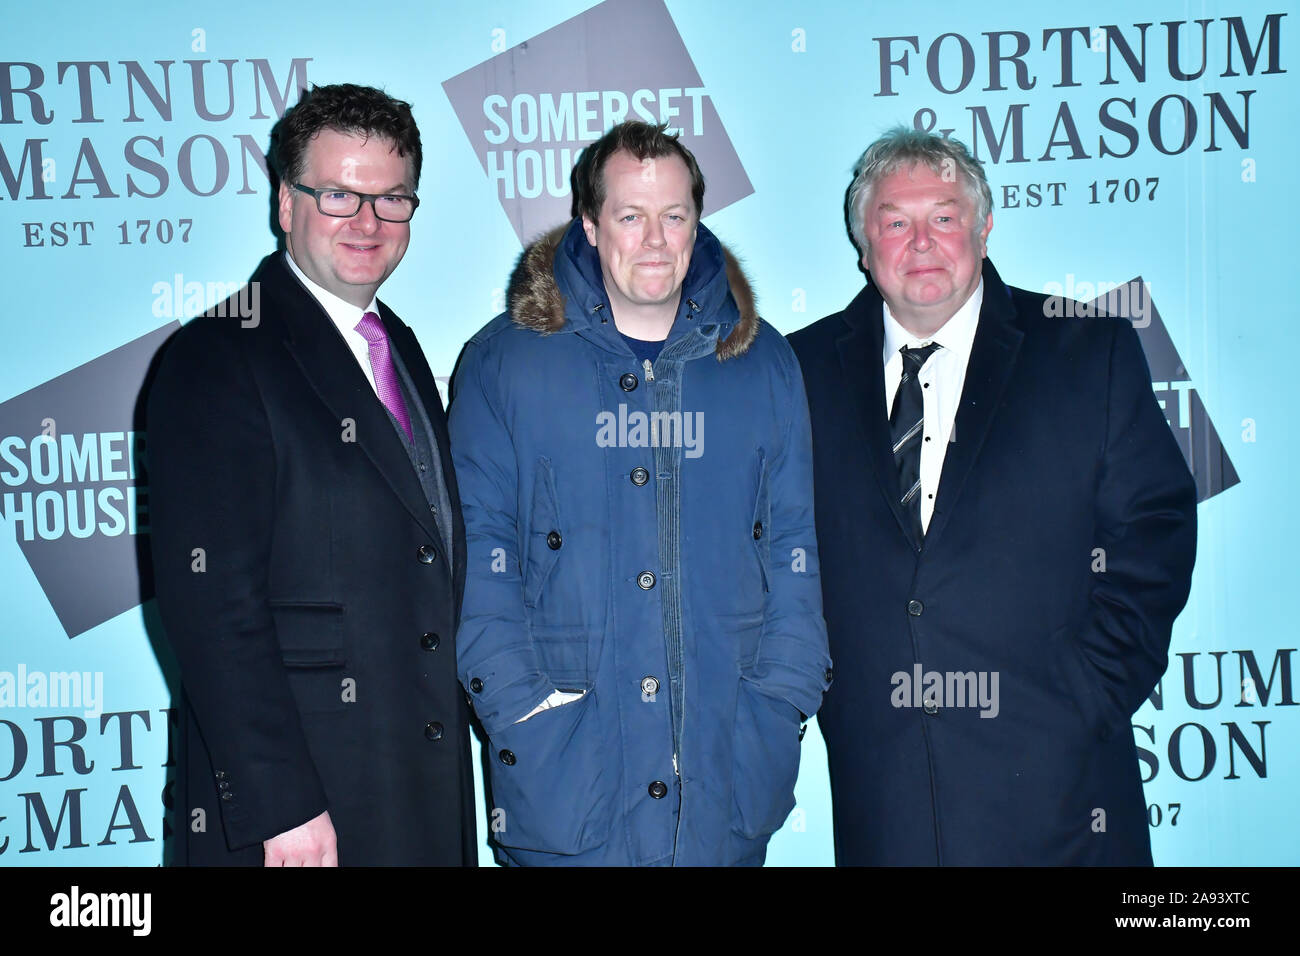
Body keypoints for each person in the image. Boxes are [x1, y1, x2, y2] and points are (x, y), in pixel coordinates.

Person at [787, 127, 1197, 865]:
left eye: (944, 217)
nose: (921, 243)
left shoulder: (1085, 350)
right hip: (885, 798)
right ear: (863, 241)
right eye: (895, 221)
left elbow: (1155, 531)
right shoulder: (797, 370)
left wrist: (1085, 693)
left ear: (983, 227)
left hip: (1062, 798)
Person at [448, 121, 831, 866]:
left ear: (697, 221)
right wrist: (524, 709)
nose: (655, 240)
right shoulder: (504, 364)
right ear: (590, 225)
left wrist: (781, 699)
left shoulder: (762, 362)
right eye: (630, 216)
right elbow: (479, 558)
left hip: (726, 779)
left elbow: (794, 548)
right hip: (570, 783)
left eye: (675, 215)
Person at [147, 83, 475, 866]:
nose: (367, 222)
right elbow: (211, 606)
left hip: (414, 786)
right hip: (300, 815)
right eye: (338, 194)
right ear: (285, 203)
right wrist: (282, 806)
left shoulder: (397, 343)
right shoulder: (217, 356)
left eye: (391, 198)